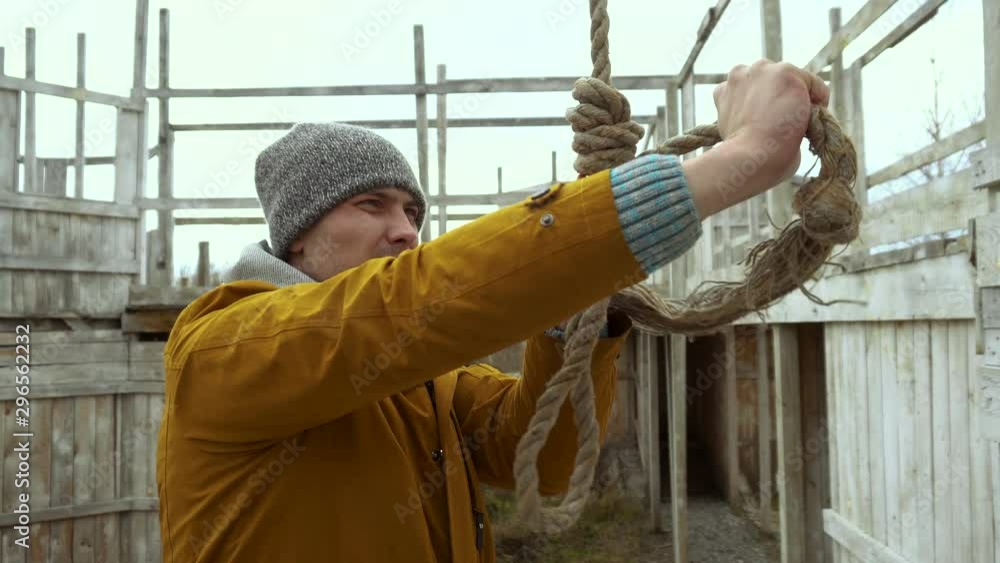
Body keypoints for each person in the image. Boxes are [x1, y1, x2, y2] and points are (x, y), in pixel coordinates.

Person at [156, 59, 829, 562]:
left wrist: (577, 320)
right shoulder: (221, 349)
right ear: (296, 233)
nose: (404, 229)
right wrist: (738, 160)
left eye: (413, 211)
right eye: (372, 205)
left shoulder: (420, 382)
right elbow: (411, 301)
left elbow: (531, 451)